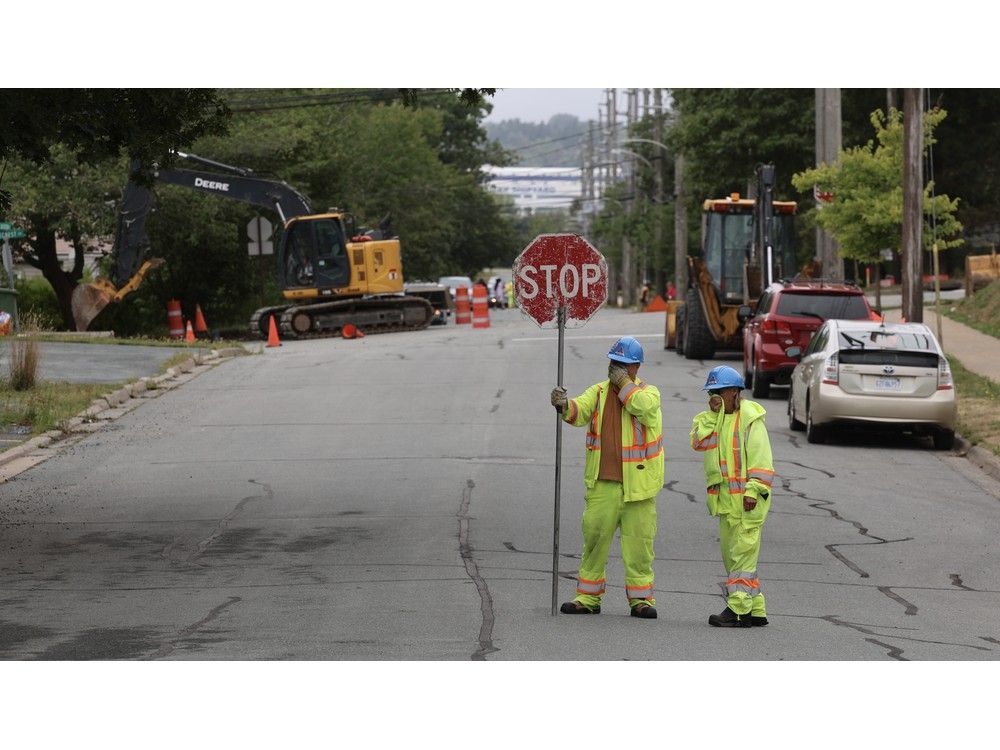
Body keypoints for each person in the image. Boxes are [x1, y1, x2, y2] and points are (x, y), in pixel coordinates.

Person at [550, 336, 664, 618]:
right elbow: (579, 412)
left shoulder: (649, 394)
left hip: (638, 487)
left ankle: (641, 601)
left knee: (639, 546)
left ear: (636, 367)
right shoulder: (599, 392)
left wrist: (624, 385)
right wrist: (564, 405)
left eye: (624, 365)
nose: (616, 369)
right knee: (594, 541)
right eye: (614, 363)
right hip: (603, 484)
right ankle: (587, 598)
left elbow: (642, 409)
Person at [689, 365, 774, 628]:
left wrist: (754, 489)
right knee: (734, 559)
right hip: (726, 503)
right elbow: (698, 443)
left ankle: (738, 611)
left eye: (719, 391)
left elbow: (762, 460)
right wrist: (712, 415)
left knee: (742, 558)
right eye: (711, 391)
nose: (714, 395)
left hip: (747, 502)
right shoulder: (716, 418)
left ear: (734, 392)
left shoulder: (750, 419)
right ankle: (756, 608)